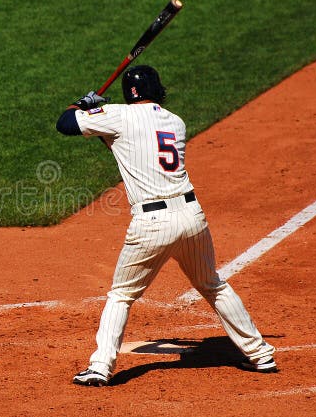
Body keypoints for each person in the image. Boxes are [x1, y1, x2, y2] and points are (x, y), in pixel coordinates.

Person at [56, 65, 276, 387]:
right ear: (157, 90)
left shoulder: (117, 115)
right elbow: (124, 147)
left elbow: (64, 125)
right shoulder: (176, 122)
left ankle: (101, 366)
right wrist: (98, 116)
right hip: (191, 217)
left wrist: (81, 105)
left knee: (121, 294)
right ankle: (260, 354)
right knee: (212, 284)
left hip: (151, 224)